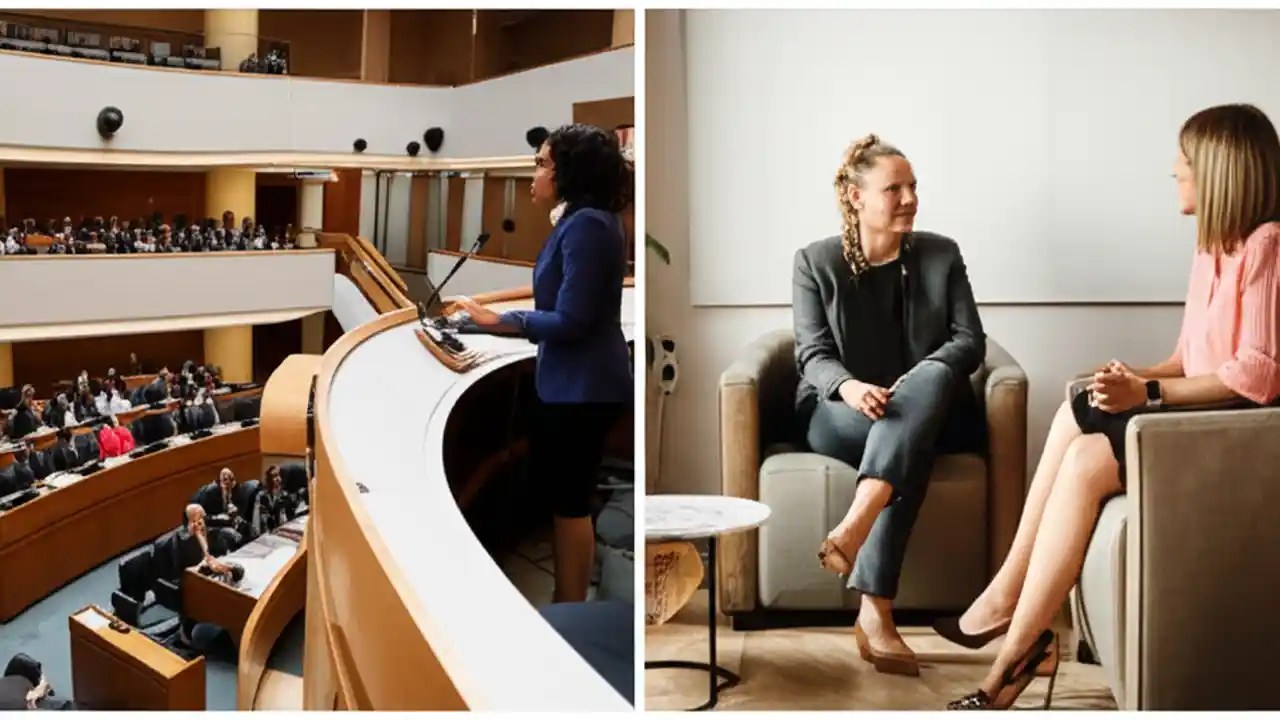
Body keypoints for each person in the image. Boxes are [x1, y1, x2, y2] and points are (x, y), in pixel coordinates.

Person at [938, 103, 1280, 710]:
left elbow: (1255, 374)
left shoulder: (1267, 246)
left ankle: (1009, 636)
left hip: (1227, 434)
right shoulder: (1211, 249)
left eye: (1185, 158)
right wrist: (1129, 375)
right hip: (1193, 417)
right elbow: (1188, 358)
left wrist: (1146, 394)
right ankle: (1012, 618)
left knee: (1088, 452)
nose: (1174, 168)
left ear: (1221, 168)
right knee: (1078, 409)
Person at [789, 134, 984, 677]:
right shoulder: (816, 262)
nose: (909, 199)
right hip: (842, 411)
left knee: (931, 382)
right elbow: (811, 353)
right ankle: (875, 612)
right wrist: (849, 387)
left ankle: (856, 523)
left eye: (913, 186)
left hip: (930, 407)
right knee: (908, 440)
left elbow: (970, 342)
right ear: (856, 197)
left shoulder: (941, 254)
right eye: (893, 188)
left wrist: (916, 381)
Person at [453, 123, 633, 603]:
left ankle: (569, 609)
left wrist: (501, 320)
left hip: (583, 387)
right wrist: (490, 323)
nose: (533, 173)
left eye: (540, 163)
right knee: (565, 501)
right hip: (577, 383)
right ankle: (567, 601)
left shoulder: (588, 226)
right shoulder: (583, 220)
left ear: (566, 172)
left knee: (569, 504)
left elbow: (572, 320)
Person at [194, 468, 249, 550]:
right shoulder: (211, 493)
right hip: (211, 526)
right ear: (220, 481)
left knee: (248, 529)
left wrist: (236, 512)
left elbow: (242, 509)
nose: (229, 483)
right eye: (225, 479)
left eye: (231, 479)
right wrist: (219, 518)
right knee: (234, 535)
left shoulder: (236, 490)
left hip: (228, 523)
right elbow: (202, 518)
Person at [252, 464, 299, 535]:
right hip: (266, 532)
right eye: (274, 476)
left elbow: (291, 516)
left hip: (283, 532)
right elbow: (259, 519)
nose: (278, 479)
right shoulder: (262, 496)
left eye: (279, 475)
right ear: (269, 479)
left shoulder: (286, 496)